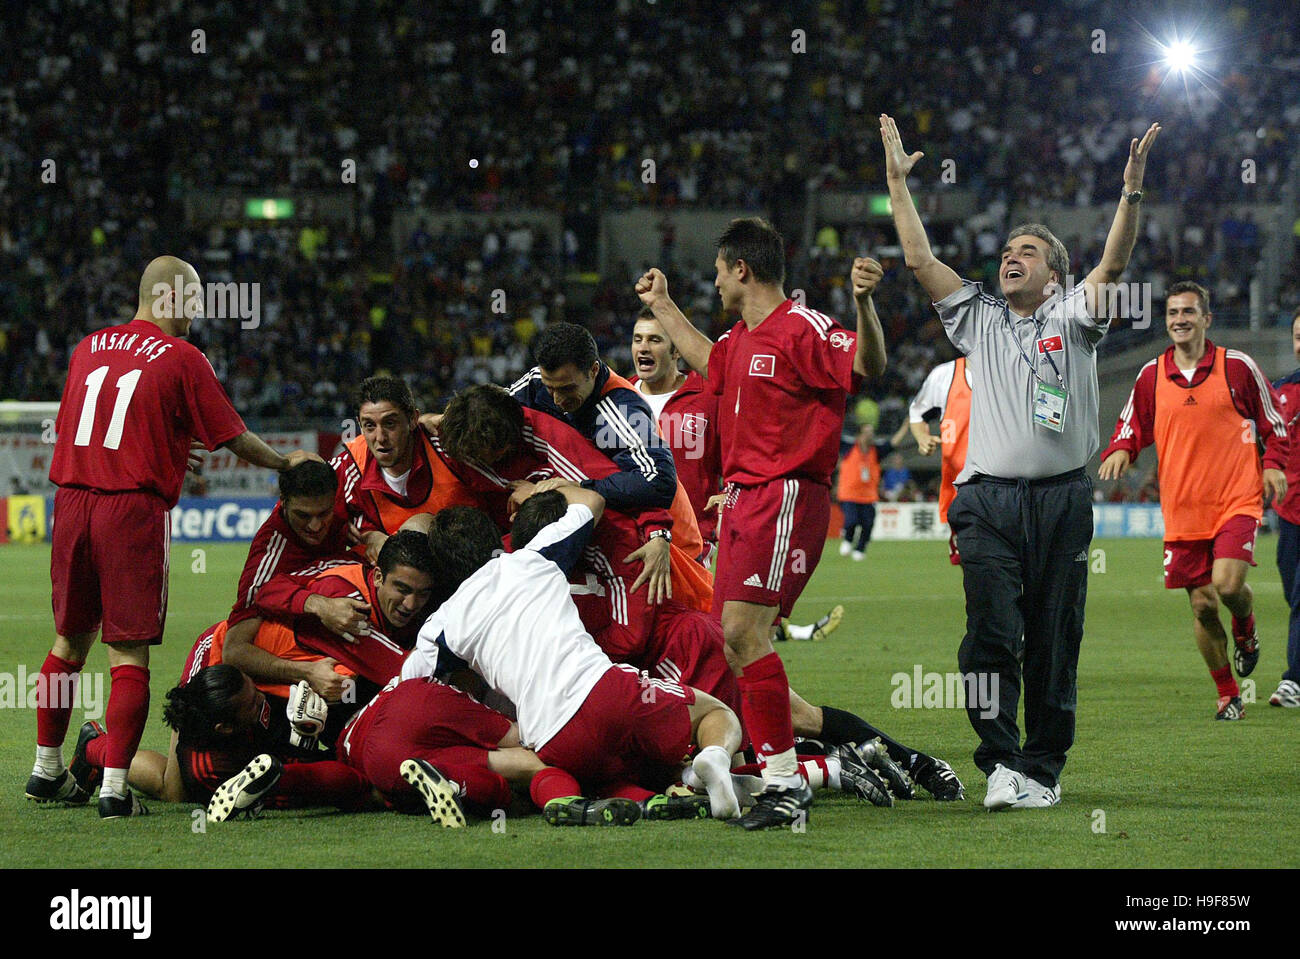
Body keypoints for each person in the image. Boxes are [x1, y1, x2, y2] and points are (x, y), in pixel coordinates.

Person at [881, 113, 1161, 809]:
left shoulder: (1075, 318)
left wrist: (1129, 192)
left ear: (1056, 273)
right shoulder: (977, 316)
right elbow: (919, 262)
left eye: (1029, 250)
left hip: (1064, 500)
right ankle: (1000, 759)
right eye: (1008, 248)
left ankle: (1042, 769)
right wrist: (895, 183)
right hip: (987, 503)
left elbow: (1115, 265)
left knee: (1053, 642)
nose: (1012, 255)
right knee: (990, 634)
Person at [28, 255, 319, 819]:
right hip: (130, 513)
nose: (197, 312)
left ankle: (46, 769)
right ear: (168, 299)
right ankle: (114, 787)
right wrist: (286, 465)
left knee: (67, 643)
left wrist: (158, 449)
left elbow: (87, 430)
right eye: (193, 300)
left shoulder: (88, 347)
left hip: (70, 504)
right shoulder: (183, 358)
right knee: (128, 654)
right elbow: (232, 436)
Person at [636, 217, 887, 828]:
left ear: (740, 269)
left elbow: (867, 368)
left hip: (785, 497)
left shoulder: (801, 327)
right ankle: (788, 778)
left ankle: (783, 782)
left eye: (719, 272)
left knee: (745, 635)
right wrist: (663, 306)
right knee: (736, 639)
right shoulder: (741, 339)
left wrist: (863, 304)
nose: (716, 282)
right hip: (746, 501)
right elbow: (705, 359)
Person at [401, 487, 746, 826]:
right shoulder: (535, 556)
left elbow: (407, 690)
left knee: (606, 769)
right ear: (497, 539)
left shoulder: (441, 625)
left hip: (553, 742)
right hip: (605, 693)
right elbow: (592, 501)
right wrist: (543, 487)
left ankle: (646, 794)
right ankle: (713, 760)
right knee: (715, 713)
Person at [1101, 282, 1287, 719]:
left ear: (1206, 319)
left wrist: (1273, 463)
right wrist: (1122, 449)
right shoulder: (1151, 375)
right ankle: (1227, 694)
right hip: (1182, 509)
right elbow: (1131, 425)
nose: (1179, 320)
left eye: (1188, 312)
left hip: (1236, 500)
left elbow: (1274, 422)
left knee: (1226, 585)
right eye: (1172, 313)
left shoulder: (1236, 367)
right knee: (1202, 604)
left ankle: (1245, 627)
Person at [629, 310, 842, 640]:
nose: (644, 347)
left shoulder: (707, 394)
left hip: (692, 537)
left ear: (676, 351)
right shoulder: (621, 398)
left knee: (715, 638)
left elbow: (743, 442)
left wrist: (731, 488)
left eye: (655, 340)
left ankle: (764, 664)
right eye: (638, 339)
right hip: (635, 537)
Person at [330, 376, 484, 559]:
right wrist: (367, 536)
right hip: (399, 581)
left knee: (418, 528)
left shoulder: (449, 449)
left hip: (472, 569)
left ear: (413, 419)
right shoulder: (349, 466)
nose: (380, 437)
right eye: (369, 426)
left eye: (390, 423)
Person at [228, 460, 355, 629]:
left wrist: (371, 537)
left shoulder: (342, 501)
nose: (315, 526)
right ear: (284, 502)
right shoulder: (267, 558)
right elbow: (234, 649)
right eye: (302, 515)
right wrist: (318, 605)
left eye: (323, 514)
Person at [908, 357, 973, 564]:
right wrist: (922, 437)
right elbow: (917, 413)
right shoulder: (944, 375)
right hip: (962, 488)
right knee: (970, 562)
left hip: (1010, 485)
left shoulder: (1014, 368)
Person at [1270, 305, 1300, 708]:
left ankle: (1293, 679)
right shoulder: (1280, 392)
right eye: (1297, 336)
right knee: (1293, 595)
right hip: (1289, 513)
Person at [836, 420, 912, 561]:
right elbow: (834, 435)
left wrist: (905, 427)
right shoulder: (848, 447)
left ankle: (860, 549)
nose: (869, 436)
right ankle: (848, 539)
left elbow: (893, 443)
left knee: (868, 524)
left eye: (871, 432)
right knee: (851, 521)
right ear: (859, 435)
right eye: (866, 433)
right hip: (849, 494)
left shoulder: (876, 451)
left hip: (868, 496)